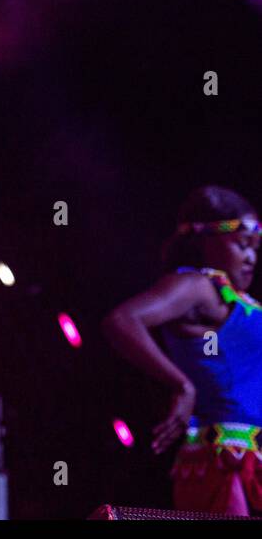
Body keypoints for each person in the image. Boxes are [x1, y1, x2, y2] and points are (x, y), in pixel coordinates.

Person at [103, 185, 262, 514]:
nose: (251, 258)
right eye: (242, 244)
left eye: (256, 248)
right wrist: (181, 385)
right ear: (205, 239)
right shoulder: (197, 286)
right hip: (225, 462)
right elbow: (122, 320)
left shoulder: (235, 297)